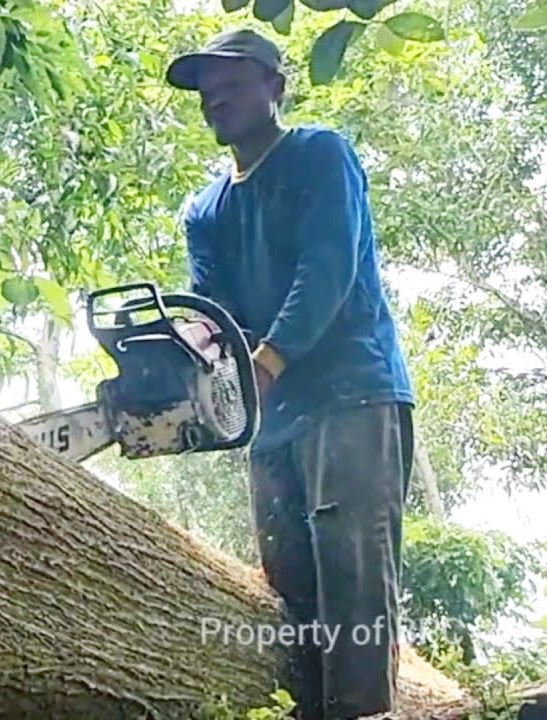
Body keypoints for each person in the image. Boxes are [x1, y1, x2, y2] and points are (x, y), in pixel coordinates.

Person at [164, 28, 416, 720]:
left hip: (352, 394)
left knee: (352, 572)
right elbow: (211, 305)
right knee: (289, 580)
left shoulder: (319, 156)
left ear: (275, 86)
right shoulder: (205, 210)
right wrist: (187, 348)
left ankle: (363, 711)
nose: (215, 97)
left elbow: (326, 268)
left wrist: (268, 359)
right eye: (205, 89)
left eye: (233, 82)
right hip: (271, 417)